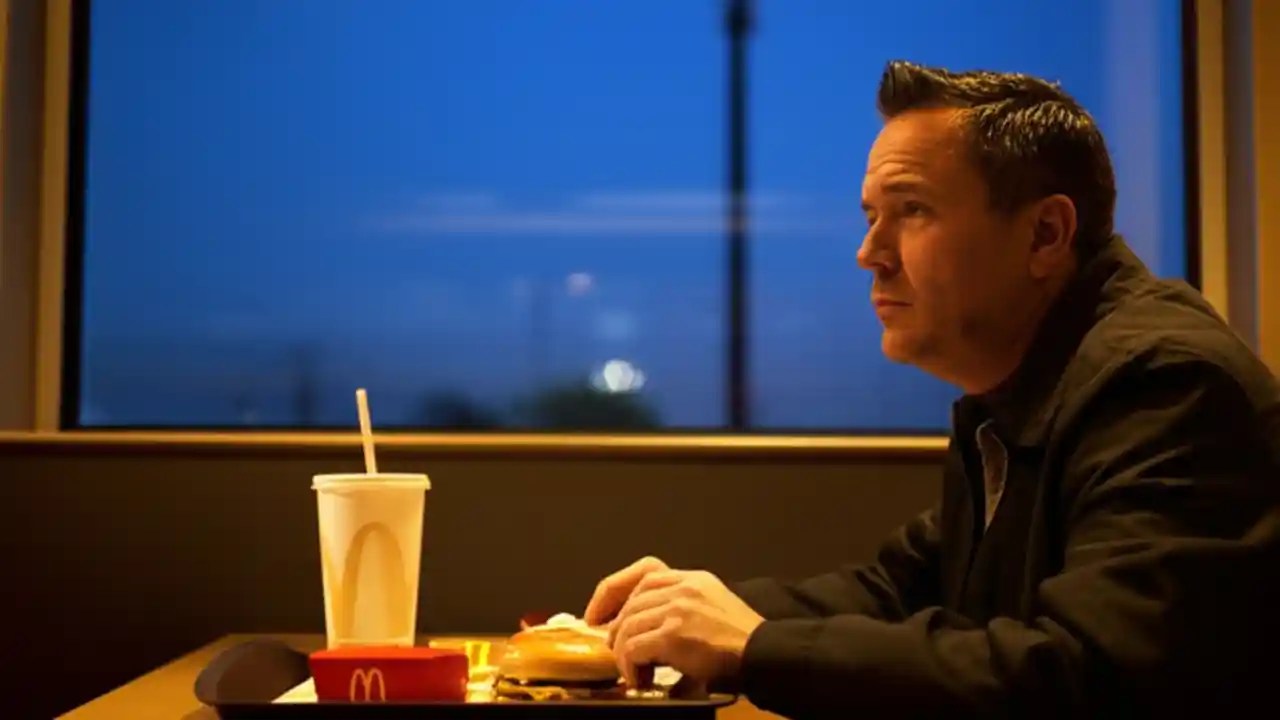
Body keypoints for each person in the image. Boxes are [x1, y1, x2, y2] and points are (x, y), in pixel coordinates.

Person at [582, 60, 1280, 718]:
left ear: (1045, 234)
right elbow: (896, 590)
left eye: (911, 210)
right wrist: (683, 610)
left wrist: (752, 647)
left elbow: (1090, 676)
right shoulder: (1021, 389)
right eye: (869, 216)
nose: (870, 253)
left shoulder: (1163, 383)